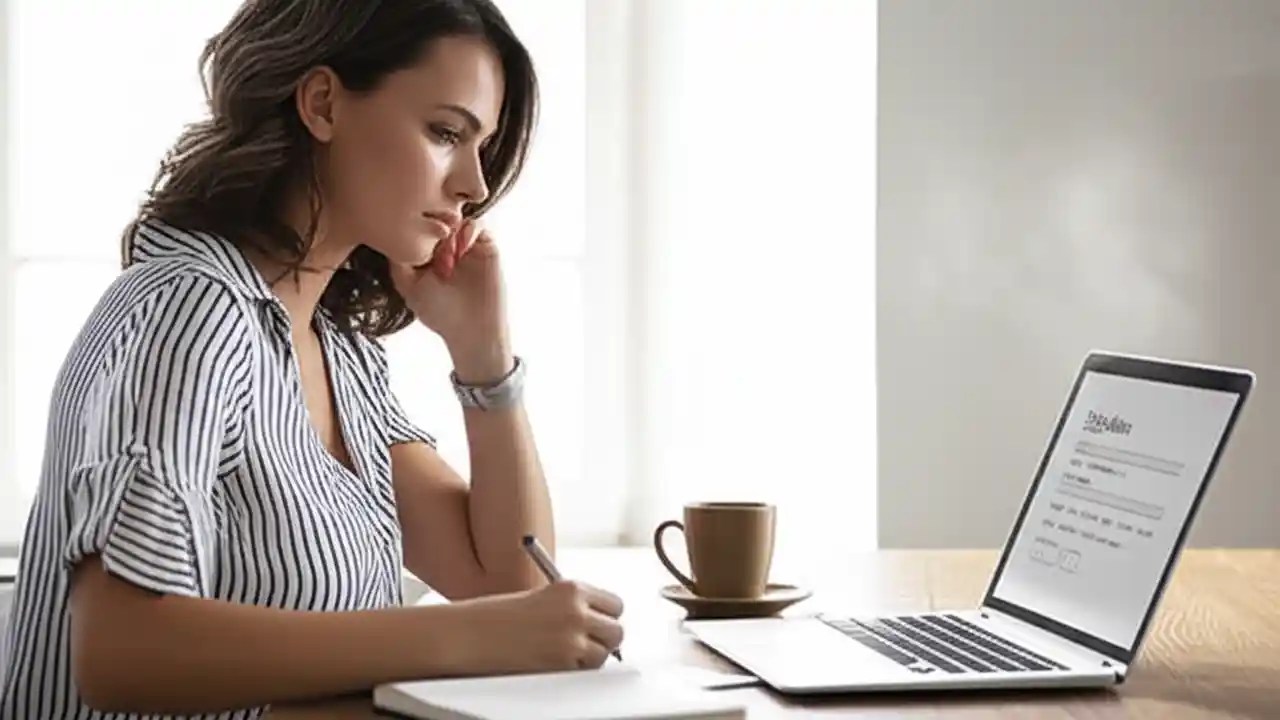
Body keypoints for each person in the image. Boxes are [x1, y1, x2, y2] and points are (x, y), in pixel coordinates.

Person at [0, 1, 625, 718]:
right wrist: (464, 636)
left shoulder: (338, 350)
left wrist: (484, 360)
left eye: (480, 147)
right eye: (445, 132)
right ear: (323, 103)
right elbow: (120, 649)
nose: (474, 187)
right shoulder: (189, 311)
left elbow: (509, 587)